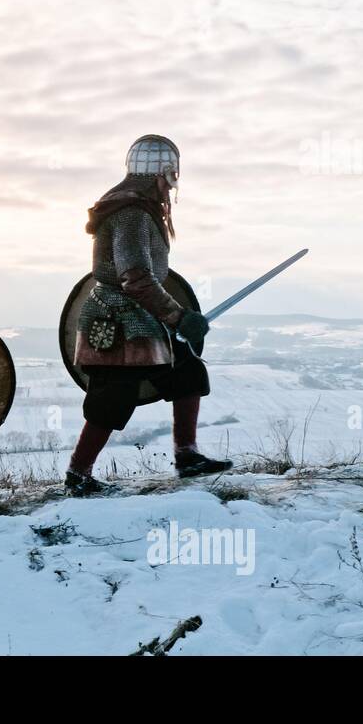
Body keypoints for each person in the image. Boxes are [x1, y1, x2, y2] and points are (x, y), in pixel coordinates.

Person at [65, 135, 233, 496]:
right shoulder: (132, 212)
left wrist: (173, 318)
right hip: (116, 320)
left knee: (186, 371)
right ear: (163, 174)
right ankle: (78, 474)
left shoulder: (137, 206)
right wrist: (177, 316)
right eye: (171, 175)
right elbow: (136, 276)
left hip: (141, 318)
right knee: (112, 399)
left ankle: (187, 455)